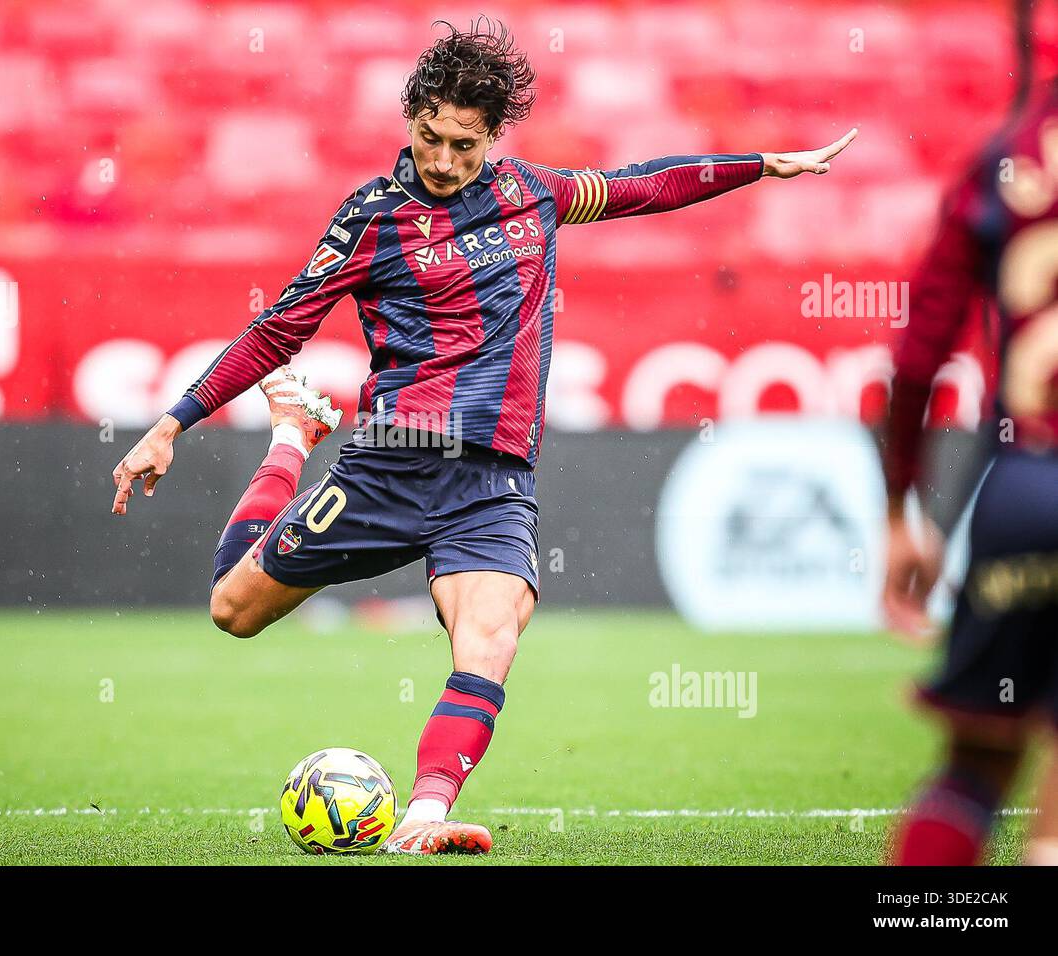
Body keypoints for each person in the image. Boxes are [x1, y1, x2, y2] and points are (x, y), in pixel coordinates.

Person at [113, 18, 856, 855]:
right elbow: (279, 329)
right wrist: (172, 423)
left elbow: (643, 184)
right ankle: (292, 436)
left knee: (491, 635)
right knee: (232, 610)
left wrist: (760, 165)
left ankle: (426, 815)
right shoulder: (371, 218)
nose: (442, 159)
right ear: (411, 117)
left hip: (493, 479)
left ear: (493, 138)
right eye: (429, 136)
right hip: (392, 461)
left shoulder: (533, 192)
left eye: (463, 145)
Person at [881, 75, 1058, 866]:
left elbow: (918, 357)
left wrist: (898, 513)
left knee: (975, 770)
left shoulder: (1005, 158)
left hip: (1024, 490)